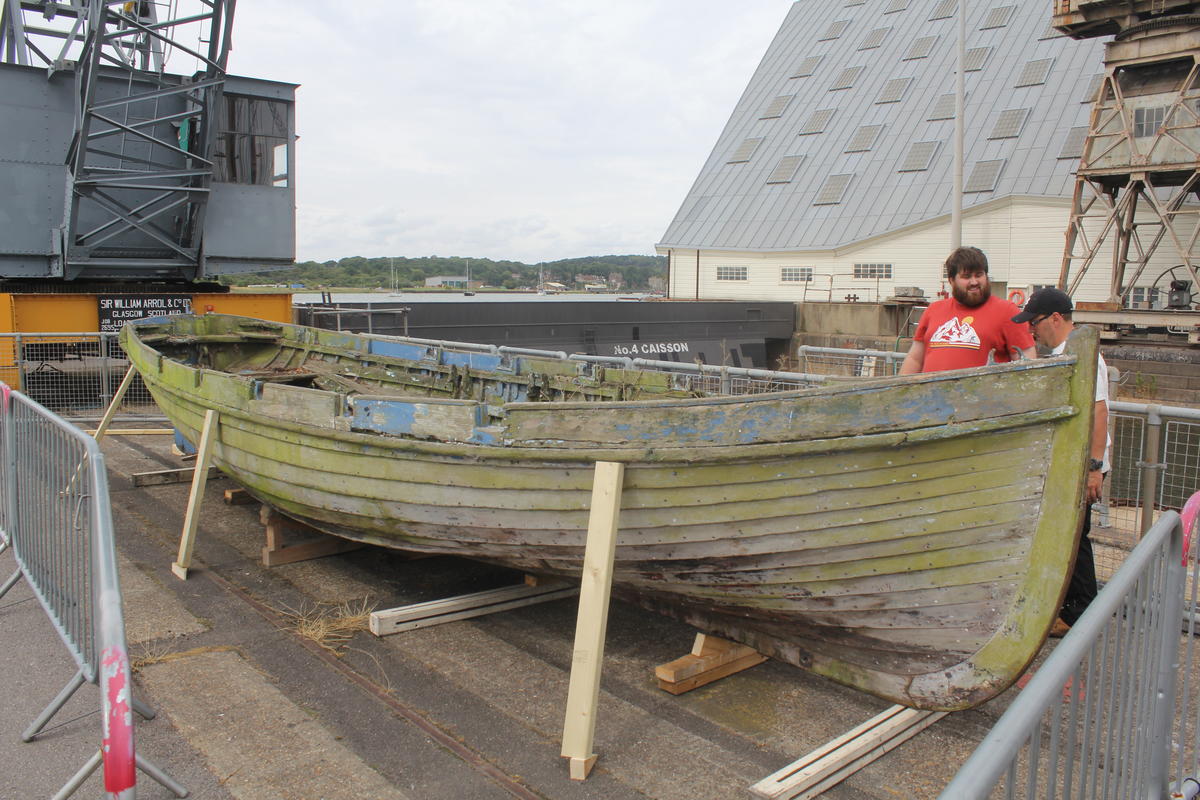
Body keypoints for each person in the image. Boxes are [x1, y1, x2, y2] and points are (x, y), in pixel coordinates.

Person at [1012, 287, 1109, 636]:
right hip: (1074, 462)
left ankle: (1079, 615)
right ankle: (1070, 610)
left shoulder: (1084, 354)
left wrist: (1094, 468)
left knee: (1075, 540)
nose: (1031, 331)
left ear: (1055, 318)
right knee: (1070, 536)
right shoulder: (1064, 353)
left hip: (1083, 464)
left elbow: (1099, 409)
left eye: (1034, 323)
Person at [899, 247, 1035, 374]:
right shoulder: (933, 310)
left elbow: (1027, 364)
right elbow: (915, 359)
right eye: (966, 276)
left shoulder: (1008, 311)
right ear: (951, 280)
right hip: (930, 398)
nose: (974, 281)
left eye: (979, 275)